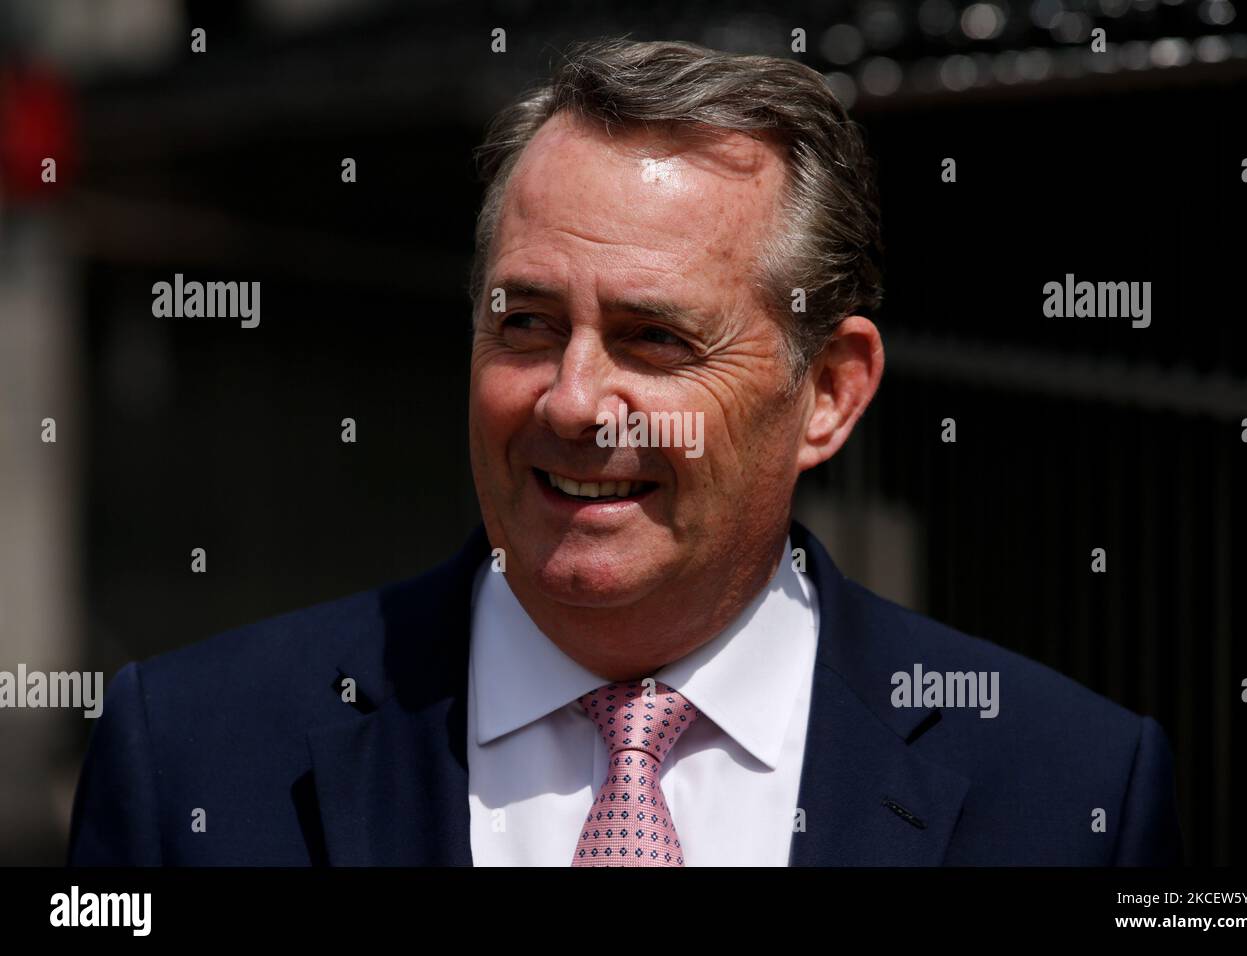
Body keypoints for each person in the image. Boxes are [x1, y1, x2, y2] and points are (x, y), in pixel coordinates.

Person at [68, 39, 1181, 867]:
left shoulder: (1066, 788)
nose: (573, 399)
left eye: (655, 338)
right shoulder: (198, 757)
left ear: (829, 393)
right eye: (526, 324)